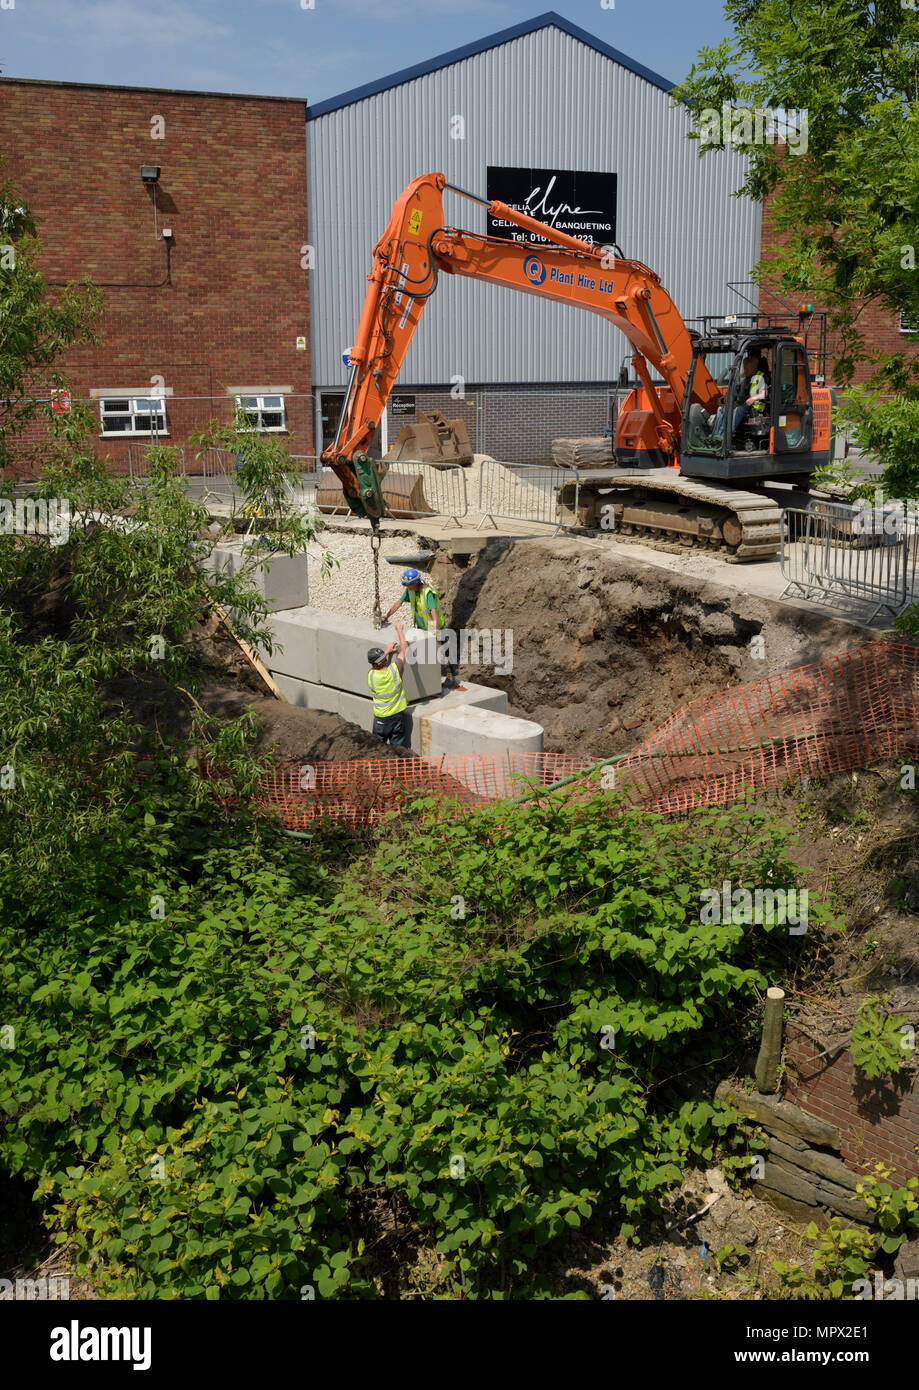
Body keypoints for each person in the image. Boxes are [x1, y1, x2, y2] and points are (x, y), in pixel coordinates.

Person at [382, 568, 458, 686]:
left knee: (440, 652)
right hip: (422, 627)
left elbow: (433, 610)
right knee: (431, 652)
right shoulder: (410, 590)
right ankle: (438, 674)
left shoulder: (427, 592)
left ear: (415, 583)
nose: (407, 587)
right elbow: (399, 603)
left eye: (408, 585)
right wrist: (387, 615)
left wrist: (436, 628)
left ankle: (450, 677)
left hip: (434, 628)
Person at [366, 622, 410, 748]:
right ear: (384, 660)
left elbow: (376, 664)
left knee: (377, 751)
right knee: (398, 751)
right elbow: (404, 650)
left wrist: (386, 651)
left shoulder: (371, 676)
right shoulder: (395, 670)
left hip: (381, 720)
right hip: (397, 717)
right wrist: (399, 630)